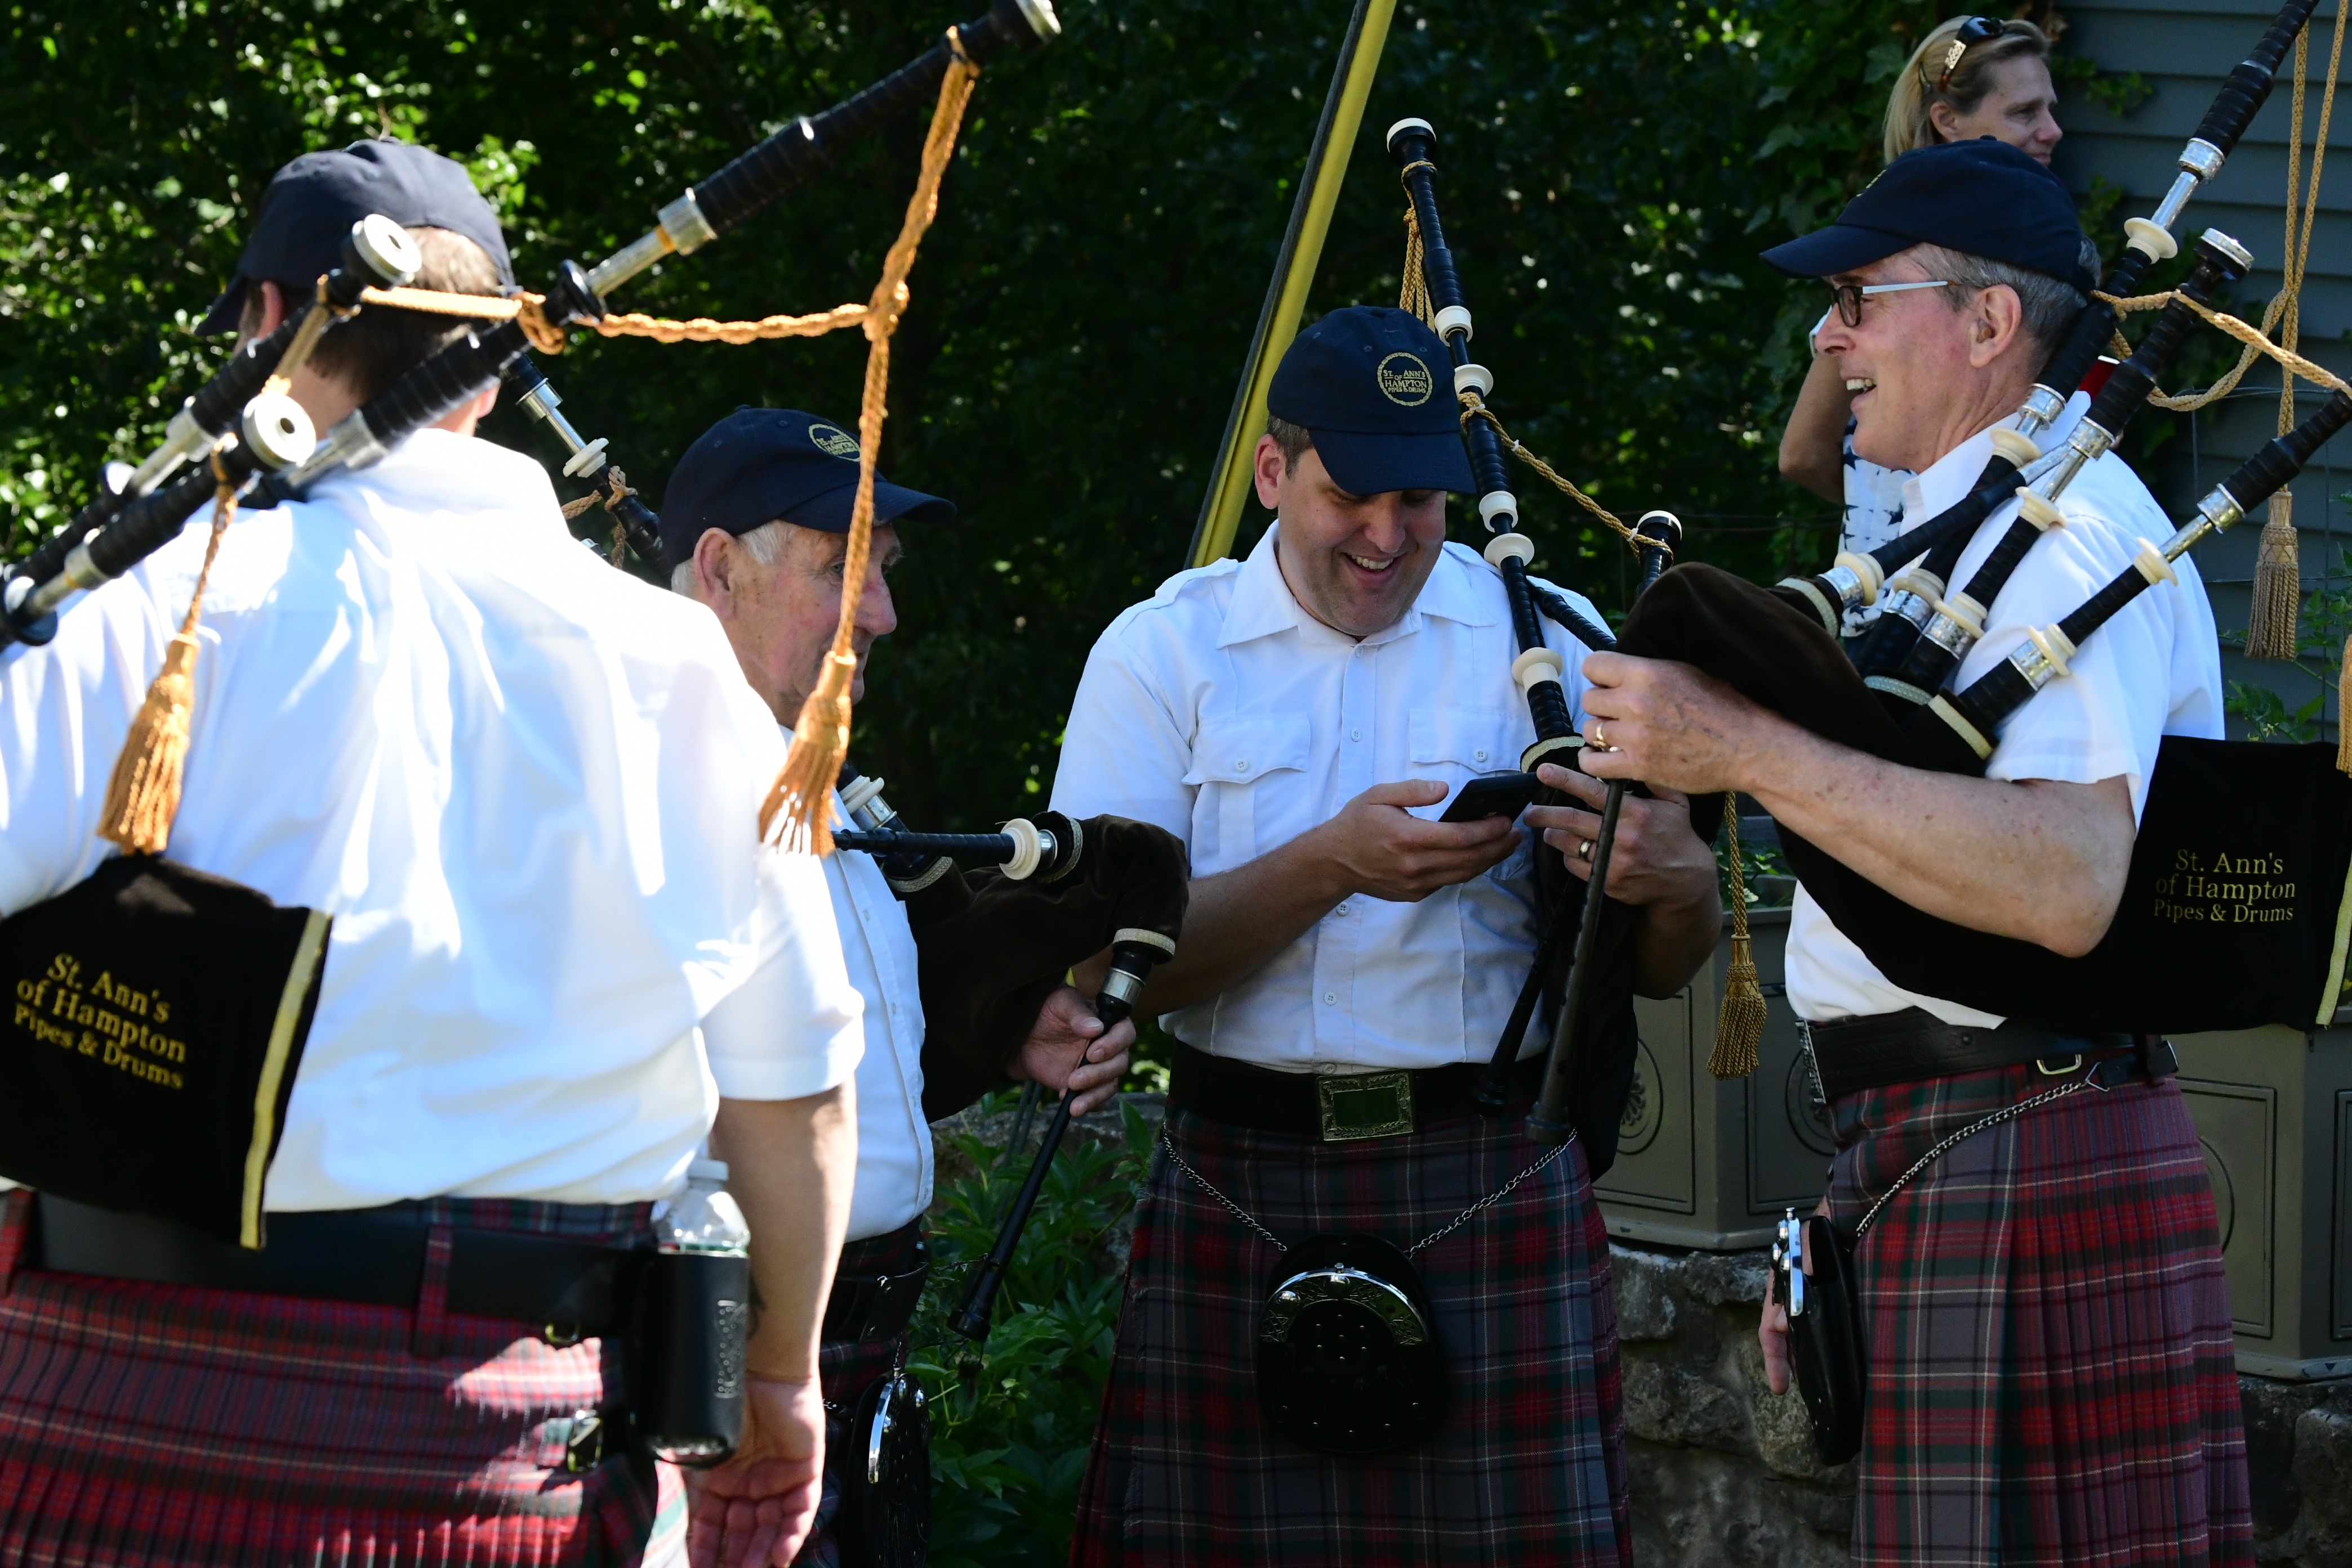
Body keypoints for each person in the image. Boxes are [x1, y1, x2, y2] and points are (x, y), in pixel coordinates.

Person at [0, 141, 862, 1568]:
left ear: (266, 324)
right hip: (523, 1447)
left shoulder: (147, 600)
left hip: (121, 1391)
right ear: (496, 365)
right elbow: (796, 1098)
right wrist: (777, 1380)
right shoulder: (675, 661)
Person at [1584, 141, 2251, 1565]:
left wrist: (1744, 749)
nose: (1827, 340)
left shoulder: (2068, 542)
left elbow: (2067, 883)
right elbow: (1915, 905)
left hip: (2028, 1149)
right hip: (1954, 1143)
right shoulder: (1959, 533)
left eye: (1857, 301)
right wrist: (1841, 1210)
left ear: (1987, 321)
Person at [1051, 305, 1721, 1564]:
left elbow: (1657, 961)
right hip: (1237, 1172)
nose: (1386, 534)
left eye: (1418, 500)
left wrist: (1681, 884)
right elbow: (1103, 971)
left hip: (1492, 1171)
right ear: (1273, 471)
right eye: (1349, 494)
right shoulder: (1161, 654)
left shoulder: (1552, 642)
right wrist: (1331, 866)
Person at [660, 407, 1138, 1568]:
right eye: (842, 568)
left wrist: (1002, 1028)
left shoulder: (814, 783)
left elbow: (839, 1058)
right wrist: (721, 1389)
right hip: (721, 1359)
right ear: (719, 571)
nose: (881, 612)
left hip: (853, 1356)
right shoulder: (652, 788)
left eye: (884, 571)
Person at [1779, 15, 2064, 624]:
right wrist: (1904, 511)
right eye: (2024, 112)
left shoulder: (2038, 265)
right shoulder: (1884, 288)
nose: (2052, 130)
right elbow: (1801, 453)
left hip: (2004, 585)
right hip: (1890, 599)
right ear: (1947, 120)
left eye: (2049, 109)